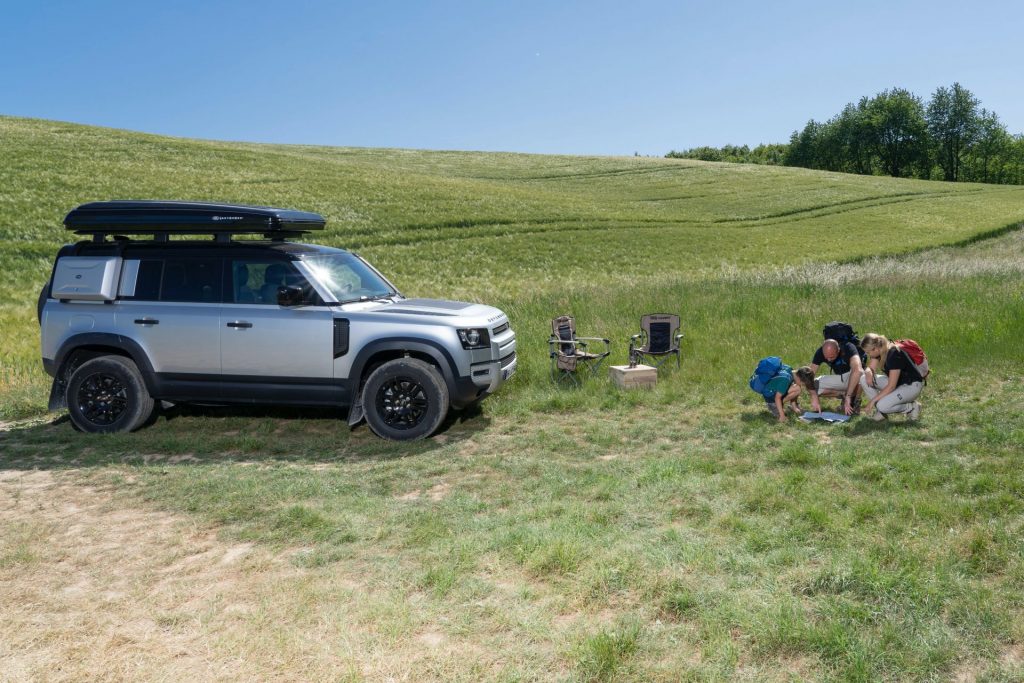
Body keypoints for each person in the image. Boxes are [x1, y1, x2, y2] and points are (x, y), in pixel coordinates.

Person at [859, 333, 923, 421]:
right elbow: (870, 368)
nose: (868, 355)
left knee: (882, 405)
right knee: (863, 379)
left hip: (911, 386)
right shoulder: (879, 351)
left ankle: (911, 407)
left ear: (875, 348)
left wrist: (873, 401)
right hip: (898, 384)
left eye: (868, 352)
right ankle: (880, 412)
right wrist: (868, 372)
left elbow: (891, 386)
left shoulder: (894, 354)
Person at [809, 338, 864, 416]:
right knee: (812, 385)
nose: (829, 359)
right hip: (840, 378)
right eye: (826, 357)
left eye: (831, 357)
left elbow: (858, 370)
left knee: (861, 374)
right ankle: (842, 395)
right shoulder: (820, 351)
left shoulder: (848, 347)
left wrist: (849, 396)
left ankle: (855, 401)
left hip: (851, 376)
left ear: (838, 350)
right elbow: (808, 375)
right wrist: (814, 396)